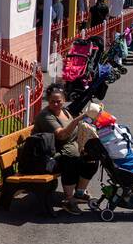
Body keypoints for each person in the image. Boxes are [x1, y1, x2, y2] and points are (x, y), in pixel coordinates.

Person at [33, 84, 99, 214]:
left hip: (69, 147)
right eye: (53, 101)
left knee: (93, 157)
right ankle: (69, 200)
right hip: (48, 156)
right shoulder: (46, 116)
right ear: (48, 101)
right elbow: (62, 135)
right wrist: (78, 119)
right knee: (71, 159)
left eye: (59, 101)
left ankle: (79, 193)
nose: (56, 104)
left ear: (64, 100)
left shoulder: (65, 111)